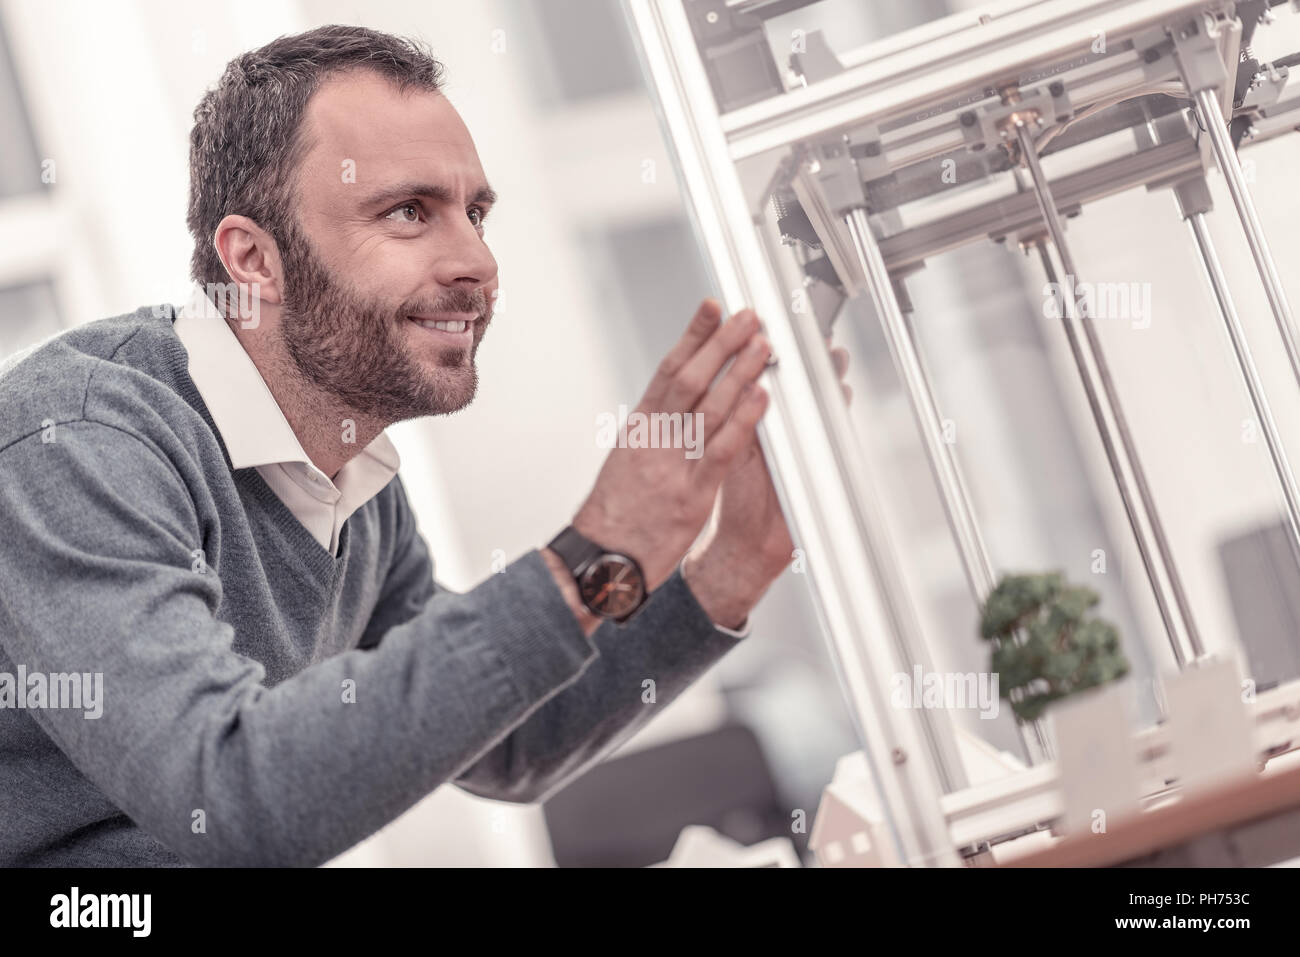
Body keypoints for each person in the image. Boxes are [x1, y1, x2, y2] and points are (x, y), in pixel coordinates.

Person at [0, 24, 845, 866]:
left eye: (475, 212)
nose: (477, 259)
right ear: (254, 259)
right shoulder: (79, 444)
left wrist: (732, 564)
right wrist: (591, 553)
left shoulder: (348, 481)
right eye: (410, 212)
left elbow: (515, 738)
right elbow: (227, 791)